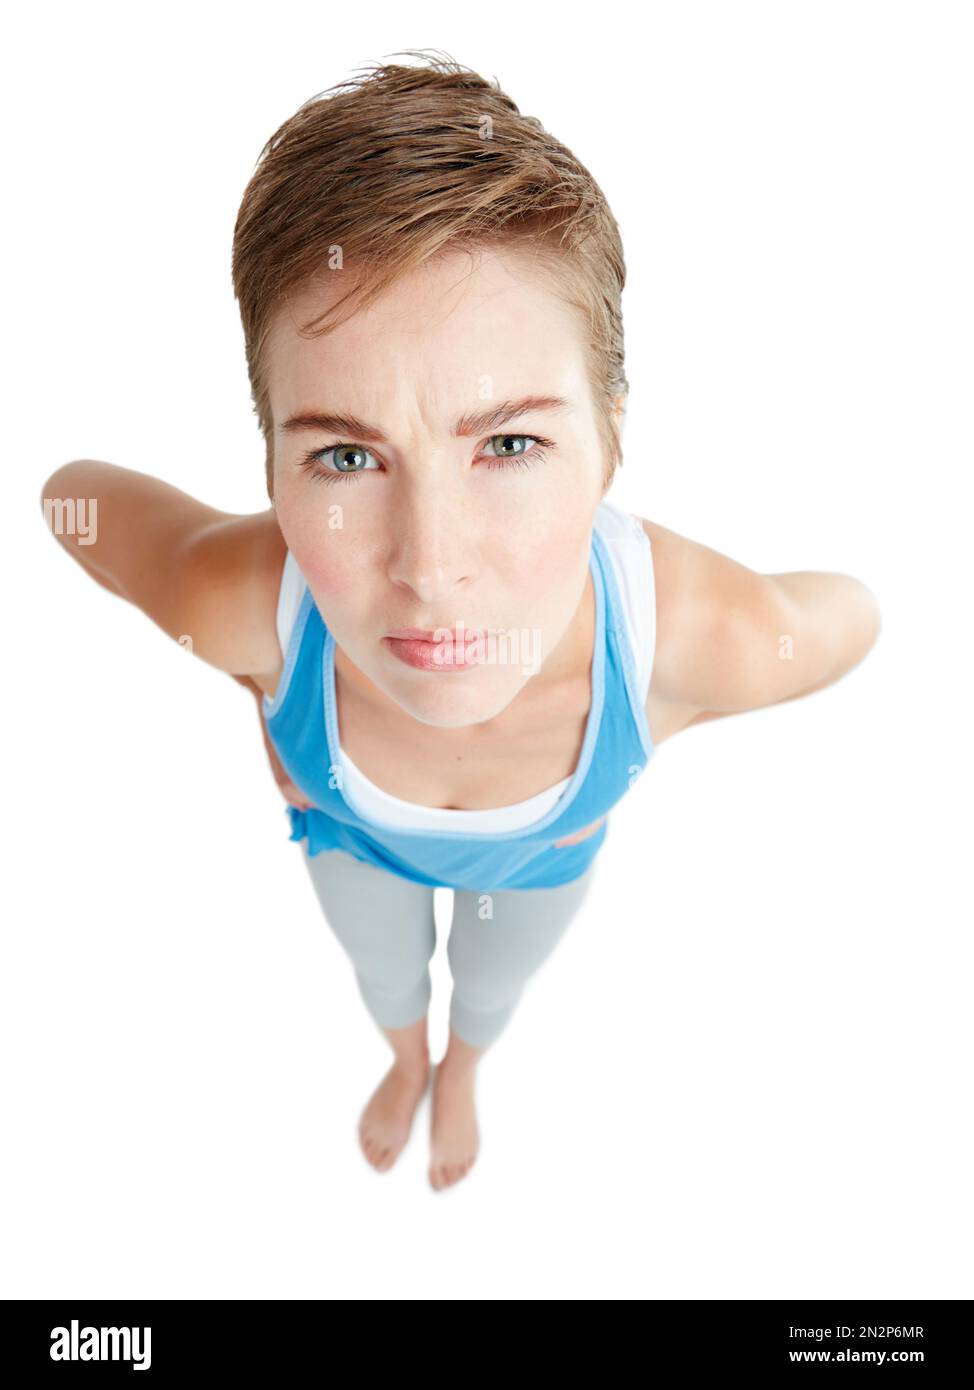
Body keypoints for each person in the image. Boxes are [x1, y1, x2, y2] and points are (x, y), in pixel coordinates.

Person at [40, 51, 882, 1192]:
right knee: (384, 975)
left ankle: (464, 1068)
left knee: (488, 985)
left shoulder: (698, 635)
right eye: (345, 455)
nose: (427, 567)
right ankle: (402, 1058)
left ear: (610, 443)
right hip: (350, 846)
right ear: (272, 466)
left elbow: (854, 618)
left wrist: (671, 696)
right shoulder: (230, 600)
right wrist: (255, 685)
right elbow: (67, 496)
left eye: (509, 444)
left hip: (538, 868)